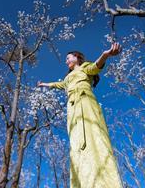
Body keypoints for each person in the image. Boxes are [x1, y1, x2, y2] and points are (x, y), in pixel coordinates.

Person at [37, 42, 123, 188]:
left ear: (77, 57)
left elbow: (95, 66)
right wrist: (44, 84)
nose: (66, 61)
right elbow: (57, 85)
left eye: (68, 58)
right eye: (66, 59)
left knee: (92, 136)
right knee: (76, 144)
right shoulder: (66, 79)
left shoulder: (84, 67)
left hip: (85, 102)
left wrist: (106, 54)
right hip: (72, 110)